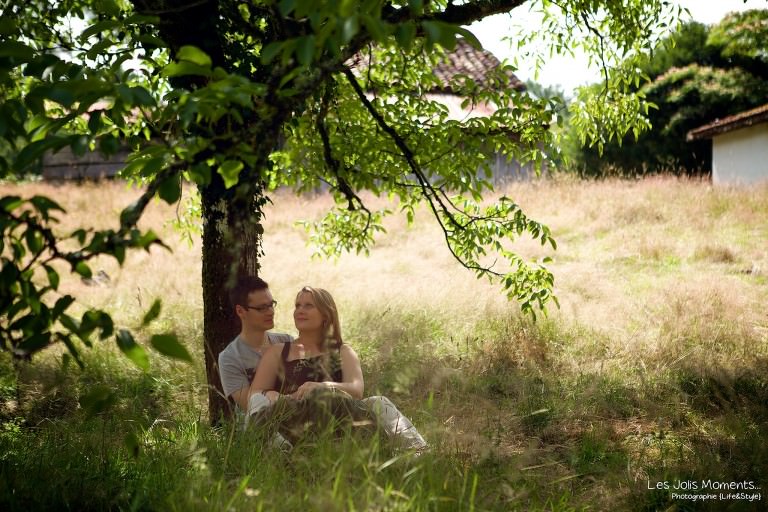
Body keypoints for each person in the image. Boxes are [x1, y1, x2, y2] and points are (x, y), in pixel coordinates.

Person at [219, 278, 426, 451]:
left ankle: (418, 451)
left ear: (326, 314)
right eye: (297, 305)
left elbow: (357, 390)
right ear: (241, 311)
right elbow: (256, 396)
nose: (300, 310)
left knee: (379, 401)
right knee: (261, 402)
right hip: (295, 419)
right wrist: (274, 396)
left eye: (308, 305)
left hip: (339, 418)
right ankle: (279, 454)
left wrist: (323, 388)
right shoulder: (275, 352)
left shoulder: (343, 351)